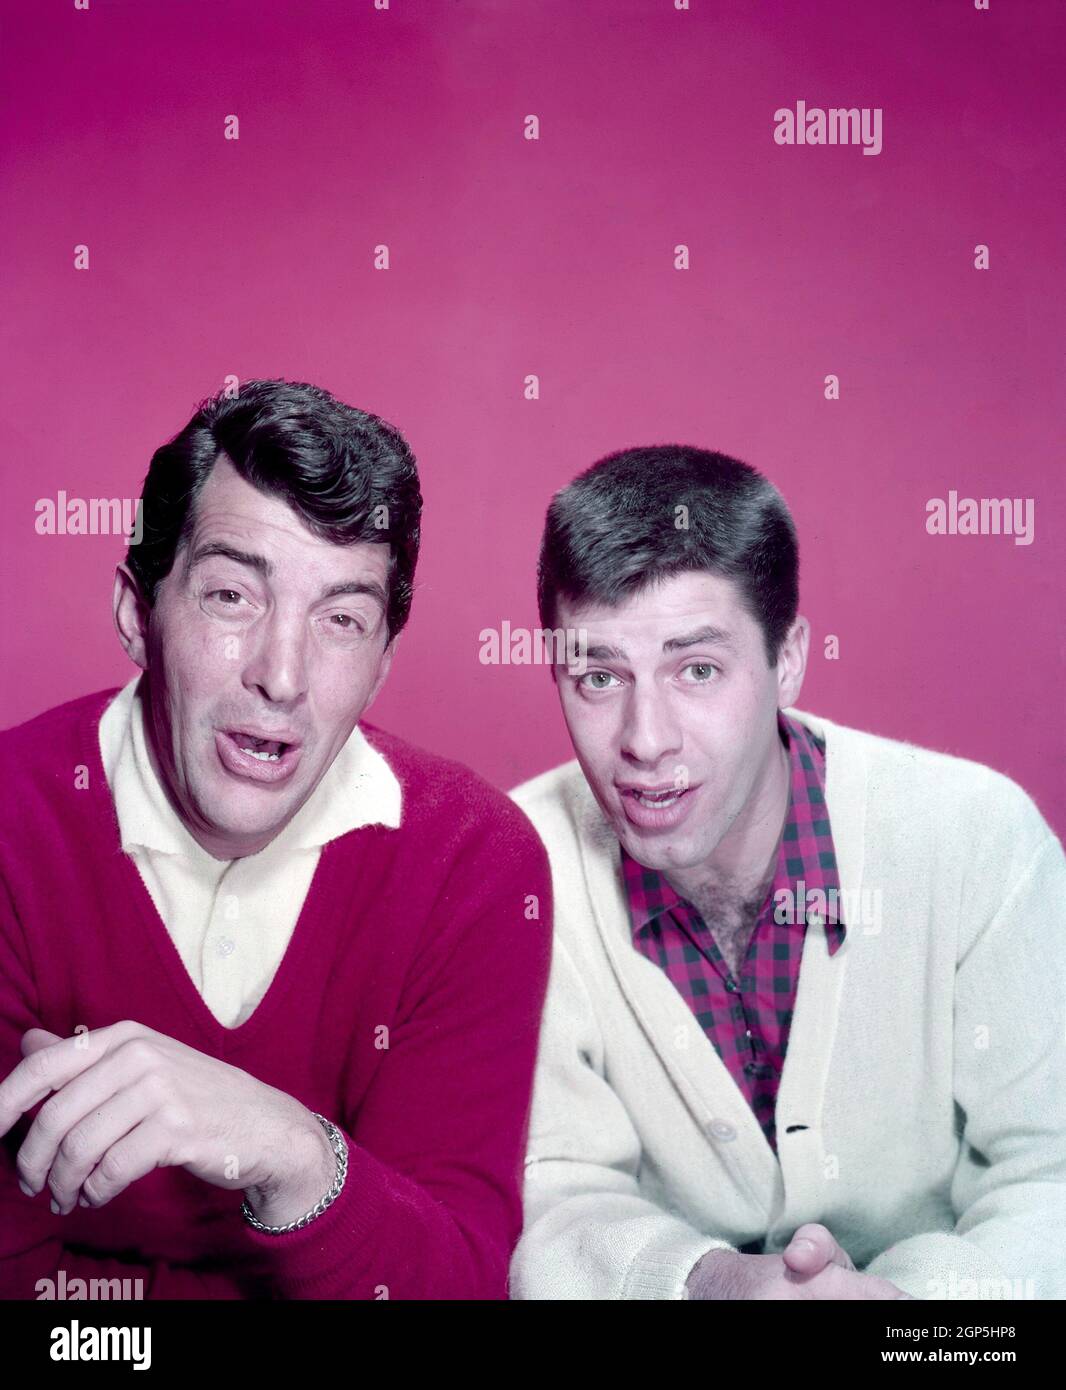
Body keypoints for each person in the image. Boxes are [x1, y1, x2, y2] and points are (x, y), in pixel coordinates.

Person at [0, 379, 551, 1300]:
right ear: (141, 614)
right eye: (231, 596)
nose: (282, 676)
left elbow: (449, 1287)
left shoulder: (478, 865)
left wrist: (293, 1153)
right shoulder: (13, 826)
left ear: (381, 668)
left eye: (341, 620)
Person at [508, 444, 1066, 1301]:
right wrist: (709, 1284)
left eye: (697, 670)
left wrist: (909, 1319)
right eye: (597, 676)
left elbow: (1052, 1178)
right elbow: (544, 1192)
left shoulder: (977, 840)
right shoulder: (517, 871)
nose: (644, 739)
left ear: (790, 658)